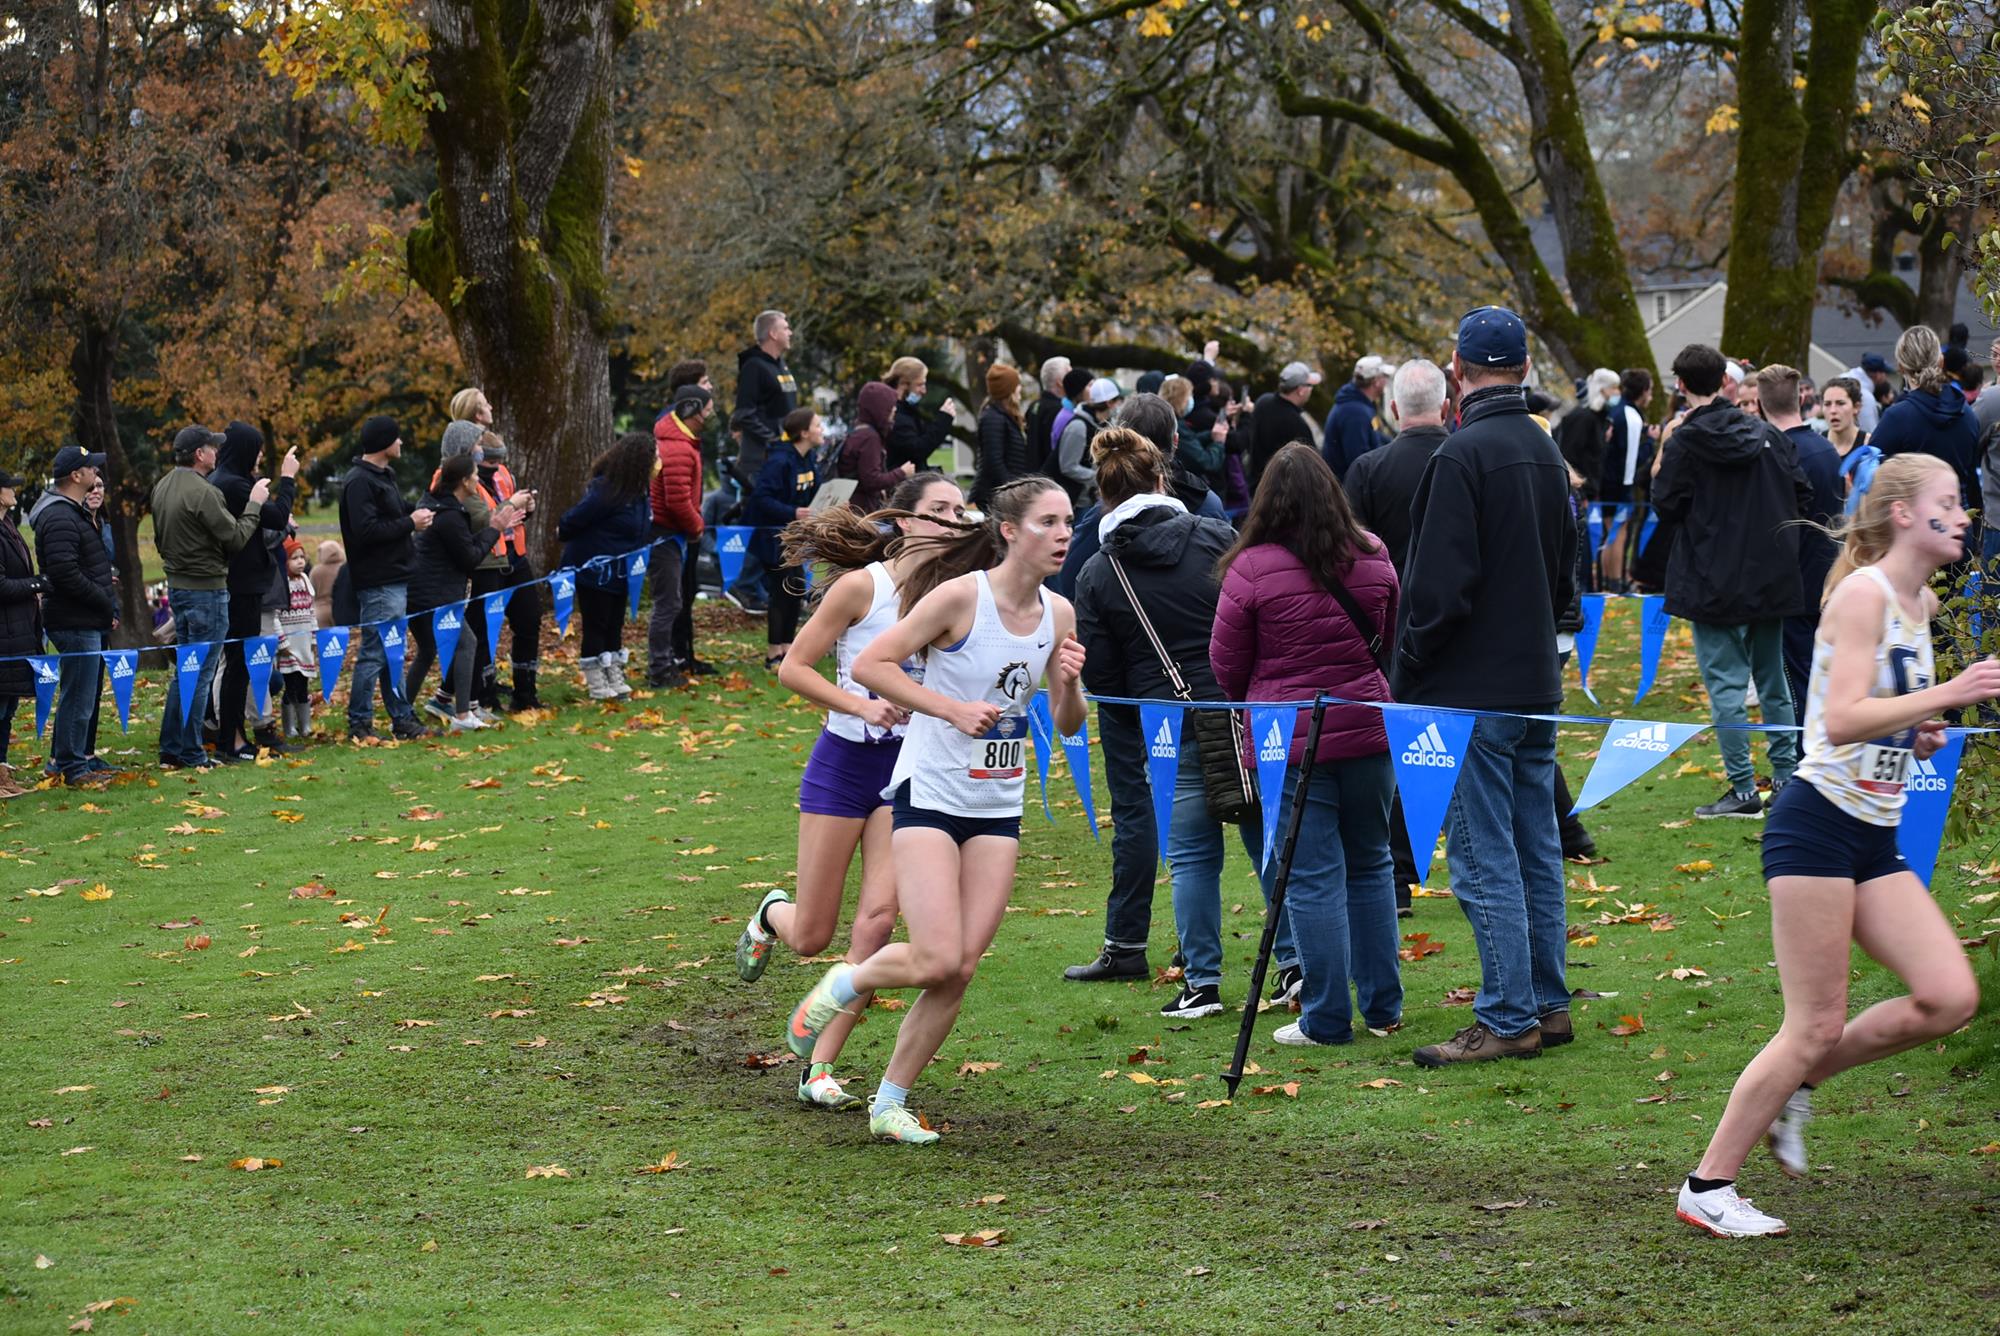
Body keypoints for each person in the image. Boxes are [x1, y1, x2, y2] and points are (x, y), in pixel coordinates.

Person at [1679, 454, 1995, 1238]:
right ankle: (1709, 1186)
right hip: (1817, 822)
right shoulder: (1863, 595)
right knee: (1812, 1022)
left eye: (1962, 503)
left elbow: (1882, 719)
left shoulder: (1918, 603)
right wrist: (1948, 695)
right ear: (1901, 515)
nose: (1962, 515)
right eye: (1947, 503)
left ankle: (1799, 1084)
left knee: (1949, 997)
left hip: (1873, 832)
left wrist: (1920, 734)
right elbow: (1842, 720)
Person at [784, 477, 1087, 1145]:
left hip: (997, 804)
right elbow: (870, 663)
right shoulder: (960, 597)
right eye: (1049, 522)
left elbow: (1069, 723)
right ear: (1009, 530)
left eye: (1069, 521)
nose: (1064, 533)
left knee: (962, 965)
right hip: (929, 794)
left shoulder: (1060, 614)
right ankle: (846, 981)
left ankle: (890, 1100)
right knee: (934, 954)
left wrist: (1066, 684)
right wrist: (950, 709)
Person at [737, 471, 967, 1110]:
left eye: (961, 510)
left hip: (908, 775)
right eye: (940, 510)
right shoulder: (861, 587)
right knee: (811, 933)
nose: (953, 520)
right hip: (843, 764)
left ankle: (818, 1067)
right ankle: (769, 914)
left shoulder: (955, 595)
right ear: (909, 521)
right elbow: (793, 667)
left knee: (876, 923)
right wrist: (861, 708)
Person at [1395, 306, 1577, 1067]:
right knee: (1536, 845)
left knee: (1485, 855)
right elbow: (1569, 572)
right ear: (1526, 369)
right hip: (1533, 677)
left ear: (1456, 370)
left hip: (1476, 688)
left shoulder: (1462, 456)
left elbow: (1438, 590)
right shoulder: (1542, 452)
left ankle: (1509, 1015)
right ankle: (1546, 1001)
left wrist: (1408, 667)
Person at [1212, 438, 1402, 1043]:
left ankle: (1325, 1016)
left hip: (1289, 738)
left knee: (1313, 874)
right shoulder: (1374, 554)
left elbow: (1225, 664)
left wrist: (1267, 693)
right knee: (1371, 864)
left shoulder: (1251, 568)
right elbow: (1388, 636)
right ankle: (1381, 1006)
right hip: (1369, 726)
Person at [1071, 427, 1253, 1019]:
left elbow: (1102, 675)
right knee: (1266, 841)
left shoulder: (1098, 573)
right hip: (1239, 707)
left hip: (1167, 720)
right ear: (1160, 479)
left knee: (1194, 856)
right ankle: (1296, 966)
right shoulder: (1217, 535)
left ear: (1103, 495)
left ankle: (1203, 982)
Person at [1651, 345, 1812, 819]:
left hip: (1715, 577)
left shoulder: (1691, 442)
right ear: (1724, 380)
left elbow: (1665, 504)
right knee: (1772, 681)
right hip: (1762, 574)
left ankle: (1747, 788)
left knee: (1728, 686)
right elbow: (1802, 492)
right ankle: (1782, 777)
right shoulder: (1766, 435)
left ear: (1680, 385)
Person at [153, 425, 269, 768]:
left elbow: (159, 541)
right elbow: (234, 538)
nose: (217, 453)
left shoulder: (162, 486)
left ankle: (171, 748)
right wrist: (255, 505)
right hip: (206, 590)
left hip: (178, 586)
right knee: (201, 673)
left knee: (185, 672)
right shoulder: (203, 492)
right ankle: (191, 751)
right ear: (200, 454)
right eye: (212, 447)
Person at [337, 416, 436, 743]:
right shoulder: (359, 482)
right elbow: (366, 532)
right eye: (397, 438)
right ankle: (360, 723)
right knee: (374, 652)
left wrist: (427, 509)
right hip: (378, 580)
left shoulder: (383, 476)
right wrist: (410, 523)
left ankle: (401, 717)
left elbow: (395, 510)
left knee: (391, 651)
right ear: (384, 443)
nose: (402, 443)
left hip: (395, 576)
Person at [209, 421, 300, 760]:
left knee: (237, 664)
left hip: (243, 582)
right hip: (240, 585)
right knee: (235, 665)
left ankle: (233, 736)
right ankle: (230, 740)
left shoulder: (231, 480)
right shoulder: (232, 484)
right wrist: (288, 478)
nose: (262, 455)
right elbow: (276, 517)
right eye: (258, 448)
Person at [409, 452, 517, 730]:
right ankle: (461, 716)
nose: (476, 479)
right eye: (472, 475)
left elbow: (465, 547)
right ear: (463, 481)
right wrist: (495, 528)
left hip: (424, 593)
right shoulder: (449, 516)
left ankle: (403, 709)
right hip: (436, 596)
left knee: (428, 649)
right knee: (466, 644)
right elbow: (469, 558)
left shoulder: (446, 509)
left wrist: (492, 529)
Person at [1759, 365, 1845, 712]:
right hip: (1827, 576)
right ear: (1801, 398)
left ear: (1763, 405)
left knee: (1800, 683)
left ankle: (1804, 755)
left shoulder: (1777, 453)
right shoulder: (1825, 449)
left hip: (1794, 585)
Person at [455, 388, 546, 711]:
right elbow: (479, 516)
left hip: (514, 555)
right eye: (485, 404)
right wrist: (512, 504)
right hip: (487, 560)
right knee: (481, 628)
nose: (491, 407)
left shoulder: (501, 465)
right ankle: (484, 694)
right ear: (475, 413)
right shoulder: (458, 468)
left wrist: (527, 506)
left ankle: (526, 693)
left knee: (529, 618)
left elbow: (508, 510)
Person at [37, 447, 119, 785]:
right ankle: (73, 767)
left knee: (82, 692)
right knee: (79, 695)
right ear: (76, 476)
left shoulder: (73, 512)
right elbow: (64, 573)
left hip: (85, 616)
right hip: (74, 618)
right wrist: (101, 599)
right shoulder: (60, 516)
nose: (95, 474)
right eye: (90, 468)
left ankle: (66, 760)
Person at [558, 432, 654, 701]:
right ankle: (596, 680)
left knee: (614, 623)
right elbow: (573, 520)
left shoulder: (640, 493)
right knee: (596, 623)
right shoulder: (606, 490)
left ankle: (614, 672)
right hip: (595, 569)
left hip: (622, 570)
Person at [1871, 325, 1982, 557]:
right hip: (1958, 533)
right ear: (1940, 361)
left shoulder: (1897, 418)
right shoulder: (1968, 414)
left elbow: (1871, 480)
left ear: (1901, 366)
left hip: (1913, 537)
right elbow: (1972, 479)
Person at [437, 425, 510, 723]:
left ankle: (455, 701)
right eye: (478, 443)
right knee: (468, 640)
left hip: (485, 561)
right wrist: (499, 520)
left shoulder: (471, 487)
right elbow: (473, 537)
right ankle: (462, 707)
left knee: (473, 639)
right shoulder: (451, 505)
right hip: (466, 572)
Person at [727, 311, 798, 612]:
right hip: (760, 461)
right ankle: (743, 585)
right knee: (763, 520)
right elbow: (743, 414)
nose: (790, 331)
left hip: (782, 457)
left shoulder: (780, 366)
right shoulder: (755, 367)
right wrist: (773, 440)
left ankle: (773, 591)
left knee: (780, 523)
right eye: (785, 327)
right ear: (771, 333)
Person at [747, 407, 824, 669]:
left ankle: (788, 648)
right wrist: (792, 512)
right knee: (782, 592)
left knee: (795, 589)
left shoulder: (810, 458)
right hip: (773, 537)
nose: (821, 430)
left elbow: (817, 491)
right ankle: (773, 652)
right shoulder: (780, 461)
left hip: (796, 536)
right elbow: (761, 498)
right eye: (817, 425)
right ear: (803, 432)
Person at [647, 383, 709, 689]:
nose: (710, 414)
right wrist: (696, 525)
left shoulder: (681, 442)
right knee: (669, 602)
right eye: (706, 409)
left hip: (673, 533)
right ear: (693, 410)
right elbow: (677, 499)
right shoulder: (678, 447)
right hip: (665, 532)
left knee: (673, 600)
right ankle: (659, 667)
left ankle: (666, 662)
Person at [0, 469, 47, 798]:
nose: (14, 491)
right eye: (8, 487)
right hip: (4, 632)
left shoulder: (8, 526)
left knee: (8, 707)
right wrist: (37, 584)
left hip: (16, 629)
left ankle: (3, 774)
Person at [1597, 369, 1654, 592]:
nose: (1650, 396)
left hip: (1609, 481)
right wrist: (1649, 443)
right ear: (1642, 391)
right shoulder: (1631, 416)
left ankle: (1607, 581)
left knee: (1611, 532)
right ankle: (1615, 582)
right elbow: (1630, 461)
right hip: (1620, 485)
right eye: (1649, 390)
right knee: (1618, 533)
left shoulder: (1617, 410)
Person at [837, 381, 910, 517]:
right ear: (880, 408)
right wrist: (902, 472)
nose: (894, 410)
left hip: (854, 507)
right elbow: (871, 480)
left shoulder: (858, 430)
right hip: (862, 511)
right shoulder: (870, 438)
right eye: (890, 406)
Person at [1246, 362, 1320, 492]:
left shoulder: (1263, 402)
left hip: (1257, 487)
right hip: (1282, 493)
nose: (1311, 389)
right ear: (1301, 390)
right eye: (1310, 385)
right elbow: (1312, 467)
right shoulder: (1297, 424)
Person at [971, 364, 1035, 508]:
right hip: (996, 493)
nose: (1020, 388)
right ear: (1008, 389)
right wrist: (1012, 490)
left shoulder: (1005, 416)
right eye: (1017, 384)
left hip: (1004, 491)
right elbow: (993, 461)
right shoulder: (993, 418)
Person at [1322, 355, 1392, 481]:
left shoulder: (1361, 405)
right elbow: (1359, 462)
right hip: (1348, 493)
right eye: (1384, 377)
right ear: (1376, 382)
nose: (1386, 381)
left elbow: (1375, 436)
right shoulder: (1355, 414)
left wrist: (1397, 445)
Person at [274, 539, 318, 742]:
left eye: (302, 557)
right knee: (290, 686)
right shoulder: (282, 584)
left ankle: (305, 724)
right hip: (289, 647)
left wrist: (314, 636)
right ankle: (289, 726)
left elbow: (311, 611)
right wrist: (282, 642)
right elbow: (275, 616)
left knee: (303, 686)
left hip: (304, 643)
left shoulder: (306, 582)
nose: (300, 562)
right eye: (294, 558)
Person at [1050, 377, 1120, 503]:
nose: (1118, 406)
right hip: (1078, 500)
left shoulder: (1105, 424)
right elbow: (1068, 466)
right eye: (1117, 401)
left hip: (1092, 496)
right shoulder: (1078, 426)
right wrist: (1102, 477)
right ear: (1109, 403)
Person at [884, 356, 959, 471]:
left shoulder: (906, 411)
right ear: (903, 384)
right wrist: (943, 420)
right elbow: (918, 450)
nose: (924, 391)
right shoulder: (896, 416)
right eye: (920, 384)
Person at [1555, 370, 1618, 498]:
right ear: (1602, 390)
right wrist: (1581, 492)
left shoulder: (1599, 418)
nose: (1617, 392)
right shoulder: (1584, 418)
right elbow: (1570, 454)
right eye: (1613, 388)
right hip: (1580, 489)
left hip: (1589, 488)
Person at [1162, 373, 1226, 495]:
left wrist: (1210, 435)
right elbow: (1206, 462)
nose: (1191, 400)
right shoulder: (1176, 426)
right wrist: (1218, 443)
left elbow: (1190, 442)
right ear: (1181, 399)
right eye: (1189, 395)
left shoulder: (1168, 420)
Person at [1025, 357, 1071, 472]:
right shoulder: (1060, 411)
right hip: (1050, 480)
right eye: (1070, 375)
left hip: (1031, 476)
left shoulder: (1034, 406)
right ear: (1060, 382)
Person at [1822, 377, 1869, 464]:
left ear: (1856, 407)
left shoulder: (1869, 445)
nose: (1833, 411)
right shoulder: (1816, 446)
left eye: (1840, 403)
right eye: (1827, 404)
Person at [311, 540, 345, 629]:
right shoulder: (343, 568)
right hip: (340, 608)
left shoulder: (316, 571)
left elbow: (311, 590)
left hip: (320, 610)